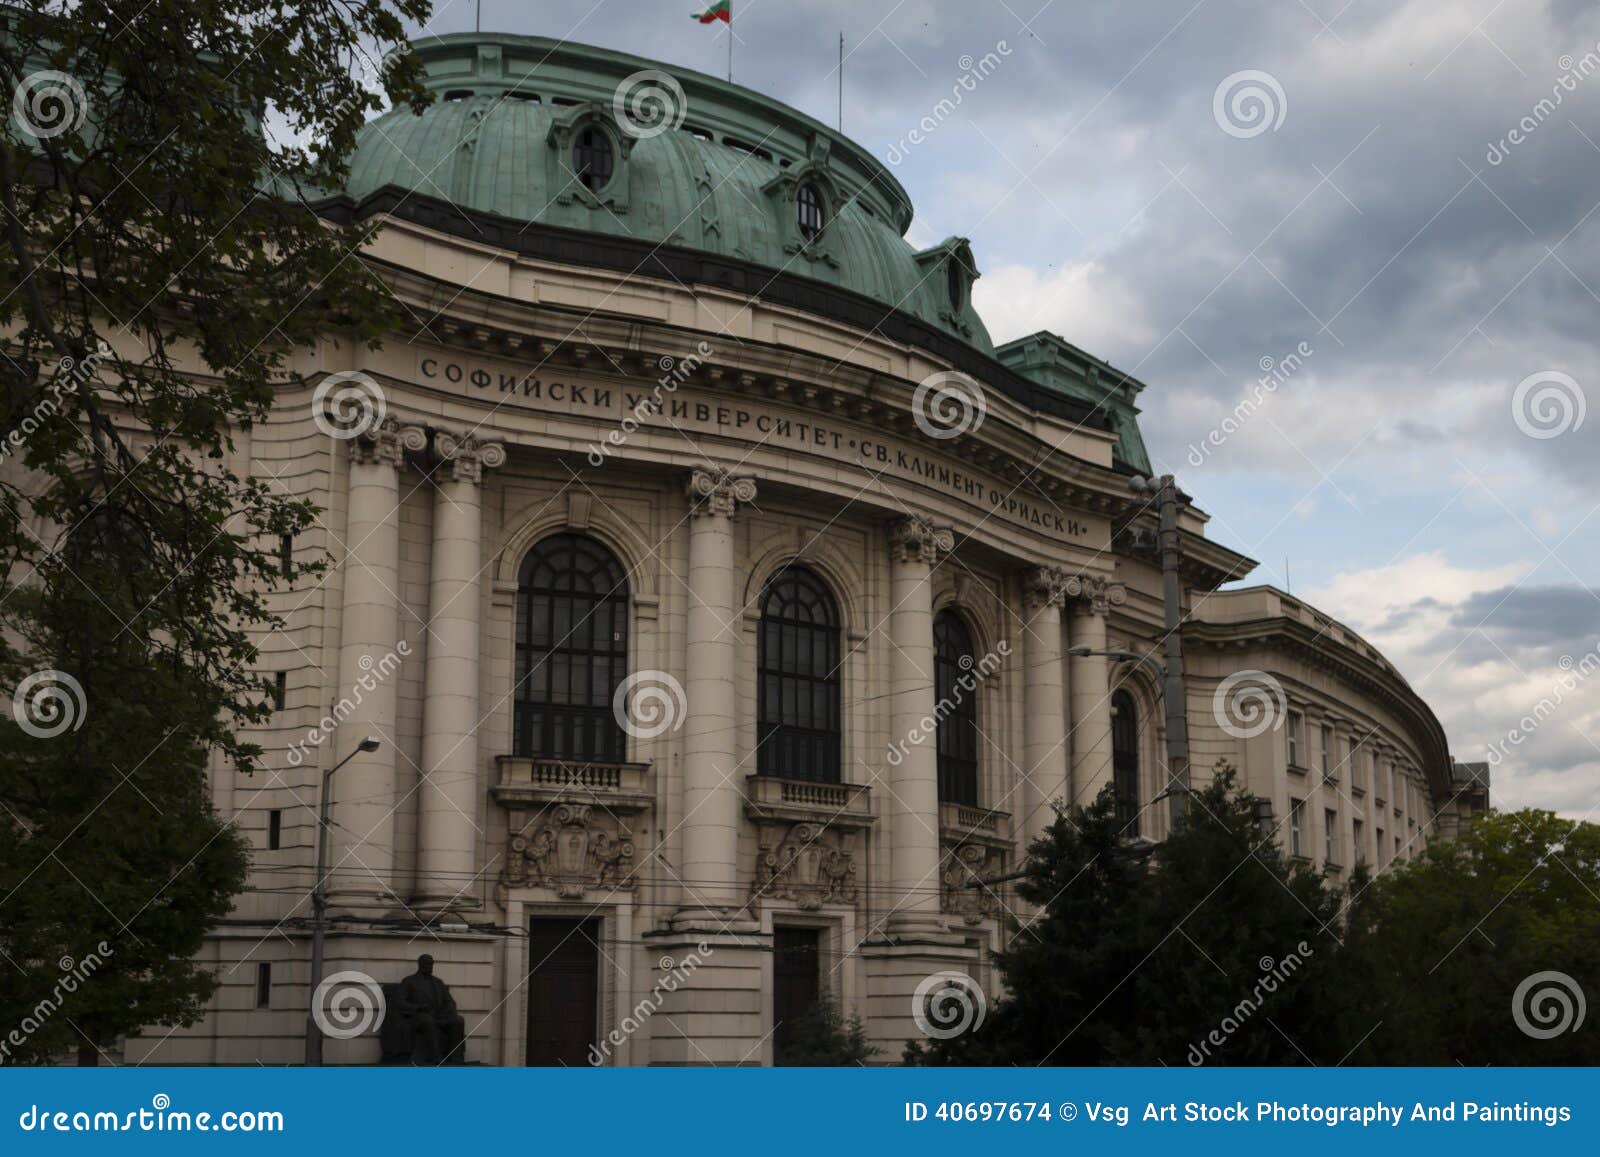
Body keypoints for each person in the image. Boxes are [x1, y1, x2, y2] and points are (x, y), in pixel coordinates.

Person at [396, 954, 466, 1064]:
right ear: (420, 964)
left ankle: (456, 1058)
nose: (429, 966)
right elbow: (400, 1002)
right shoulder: (409, 981)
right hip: (418, 1017)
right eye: (427, 964)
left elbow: (450, 1002)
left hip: (439, 1015)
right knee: (427, 1020)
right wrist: (418, 1007)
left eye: (431, 964)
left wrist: (446, 1013)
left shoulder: (438, 982)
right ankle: (435, 1057)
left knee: (458, 1020)